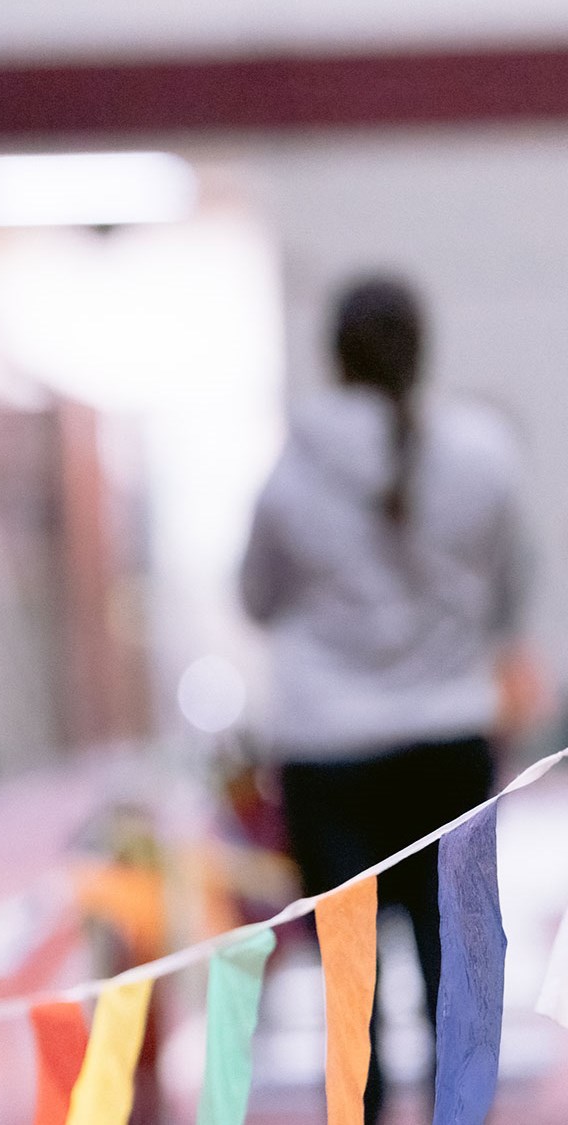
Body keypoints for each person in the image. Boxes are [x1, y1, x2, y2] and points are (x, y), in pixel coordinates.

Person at [241, 274, 538, 1122]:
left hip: (328, 755)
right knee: (456, 963)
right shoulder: (485, 453)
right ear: (421, 350)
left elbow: (256, 597)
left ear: (333, 355)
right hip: (449, 742)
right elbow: (513, 589)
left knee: (349, 975)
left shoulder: (293, 468)